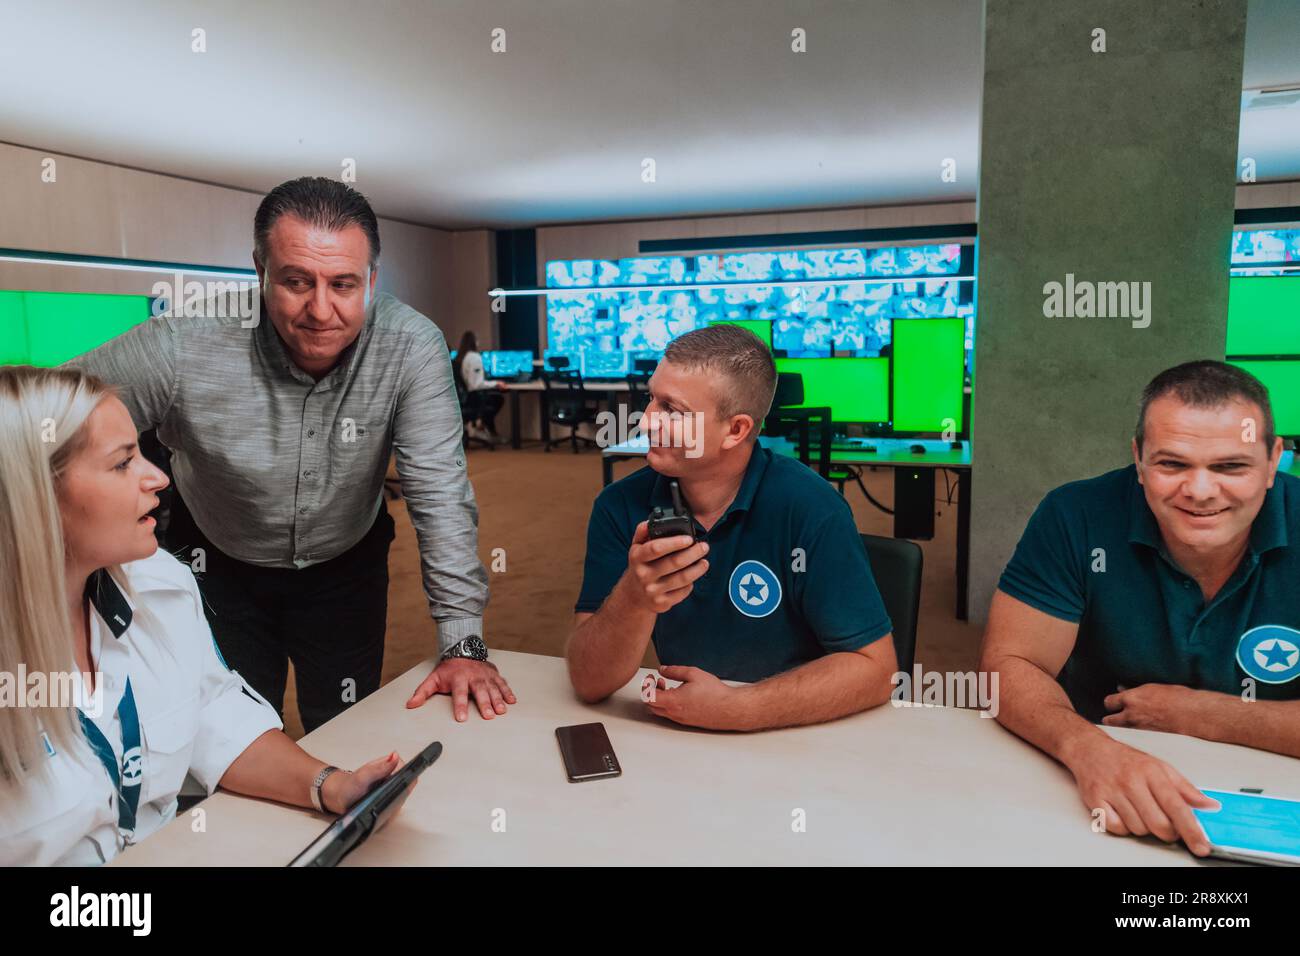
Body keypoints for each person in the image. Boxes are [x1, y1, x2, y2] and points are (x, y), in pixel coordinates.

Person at [68, 177, 514, 732]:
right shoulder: (184, 343)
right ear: (260, 271)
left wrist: (464, 643)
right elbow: (43, 414)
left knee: (346, 724)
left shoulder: (411, 347)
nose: (320, 310)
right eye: (297, 282)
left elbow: (440, 495)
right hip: (215, 560)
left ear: (372, 280)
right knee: (230, 731)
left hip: (346, 564)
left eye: (344, 285)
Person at [0, 367, 408, 865]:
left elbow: (214, 713)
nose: (158, 478)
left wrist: (331, 786)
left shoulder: (158, 584)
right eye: (123, 463)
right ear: (34, 497)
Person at [980, 360, 1300, 858]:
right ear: (1138, 459)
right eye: (1172, 464)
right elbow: (1009, 667)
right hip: (1097, 771)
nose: (1199, 491)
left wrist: (1204, 715)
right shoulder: (1076, 514)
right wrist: (1085, 749)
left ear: (1273, 460)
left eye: (1230, 466)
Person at [566, 325, 898, 731]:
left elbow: (877, 671)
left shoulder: (812, 508)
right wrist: (635, 598)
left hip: (797, 733)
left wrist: (739, 708)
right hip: (682, 736)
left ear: (736, 430)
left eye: (672, 409)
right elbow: (588, 680)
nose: (647, 421)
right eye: (650, 398)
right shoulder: (620, 507)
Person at [452, 330, 507, 444]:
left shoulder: (460, 357)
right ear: (474, 342)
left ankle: (486, 427)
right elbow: (476, 384)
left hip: (463, 400)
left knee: (494, 399)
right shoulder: (474, 357)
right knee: (498, 399)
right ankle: (483, 425)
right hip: (473, 398)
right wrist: (496, 383)